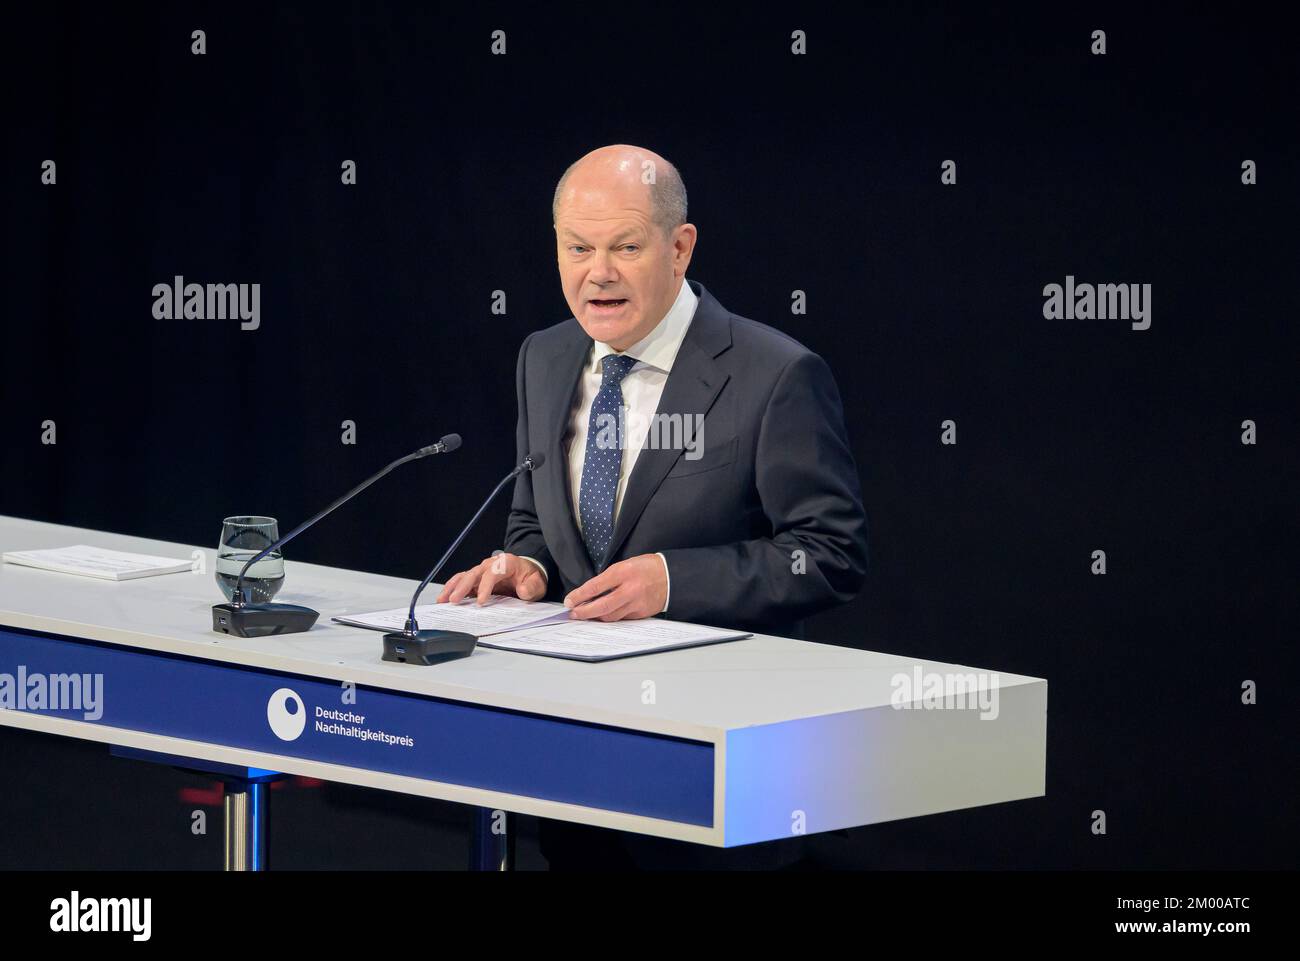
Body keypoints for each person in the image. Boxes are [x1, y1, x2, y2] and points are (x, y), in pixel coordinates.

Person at [437, 144, 869, 868]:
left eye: (624, 246)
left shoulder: (777, 374)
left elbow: (831, 553)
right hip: (581, 759)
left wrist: (672, 580)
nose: (596, 272)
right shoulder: (543, 357)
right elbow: (533, 519)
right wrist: (531, 566)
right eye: (577, 247)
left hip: (719, 769)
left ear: (679, 246)